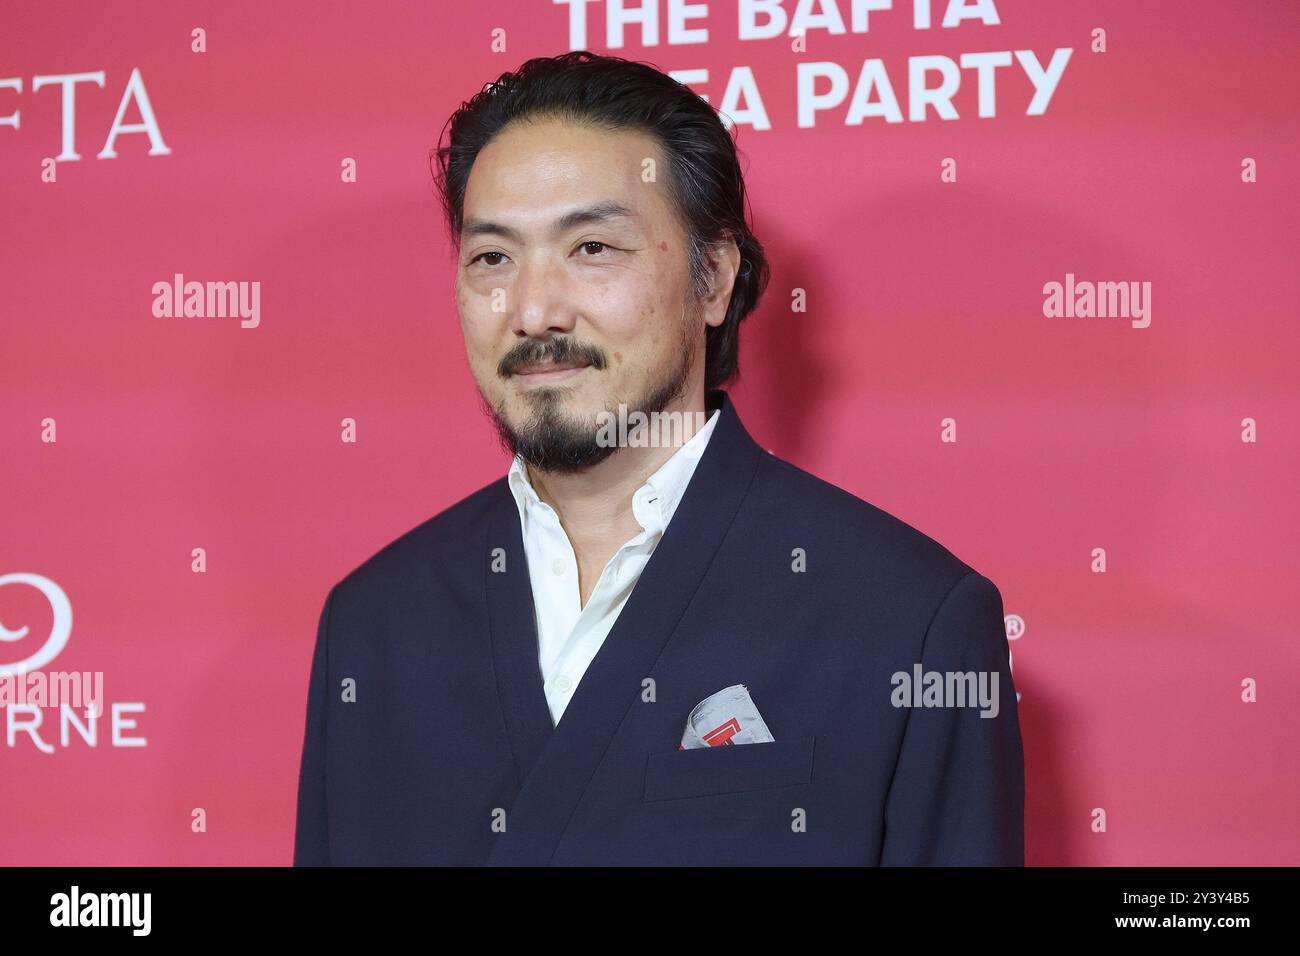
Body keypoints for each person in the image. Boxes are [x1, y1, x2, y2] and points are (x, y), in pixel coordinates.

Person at [293, 50, 1024, 866]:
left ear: (713, 278)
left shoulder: (905, 620)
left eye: (594, 248)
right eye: (493, 258)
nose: (534, 310)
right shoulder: (374, 625)